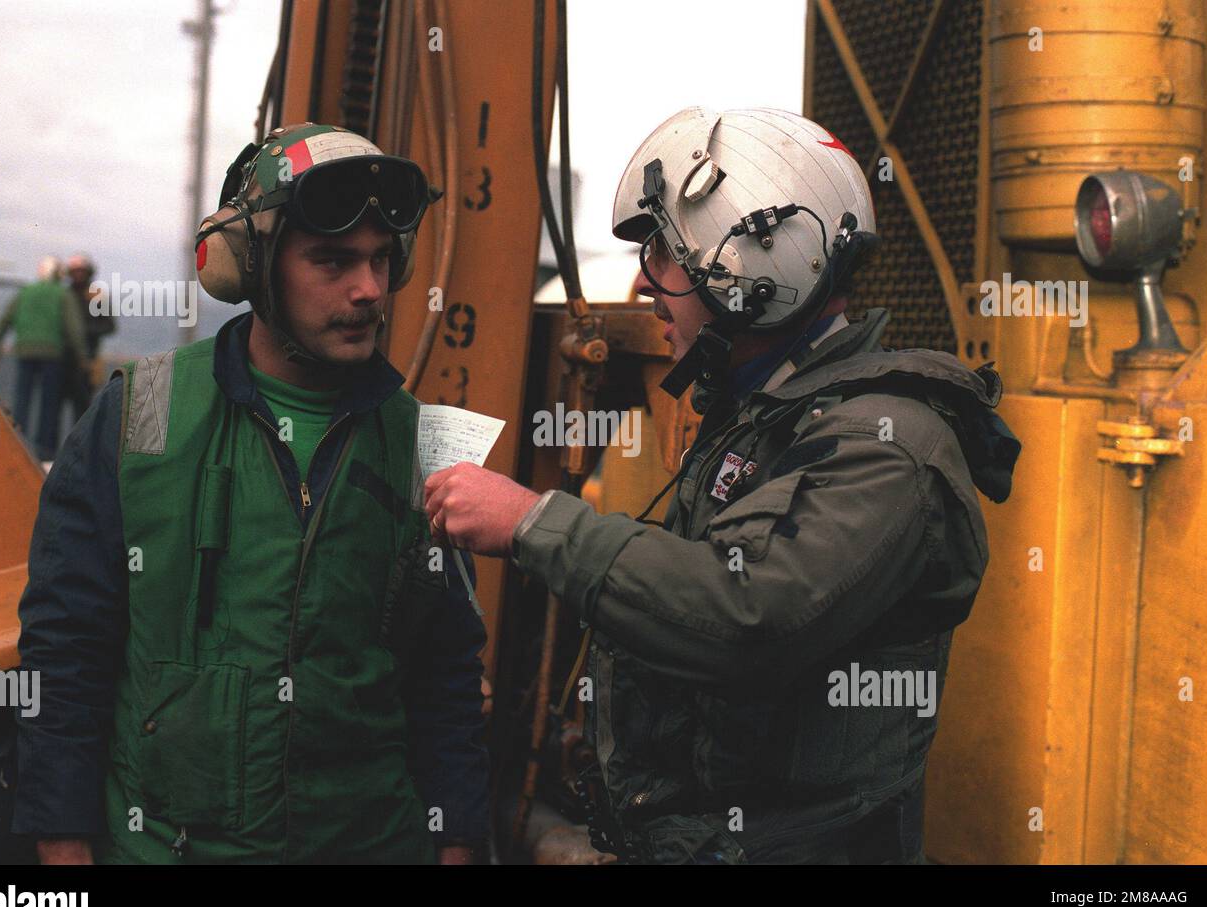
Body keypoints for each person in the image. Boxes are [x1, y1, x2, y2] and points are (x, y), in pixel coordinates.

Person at [424, 107, 1021, 864]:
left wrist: (534, 522)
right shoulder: (765, 414)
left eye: (666, 258)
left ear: (756, 270)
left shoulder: (889, 444)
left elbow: (750, 611)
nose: (645, 284)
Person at [11, 122, 489, 864]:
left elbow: (448, 680)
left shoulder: (426, 443)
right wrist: (62, 843)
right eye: (333, 260)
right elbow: (66, 645)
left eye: (379, 260)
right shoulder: (141, 410)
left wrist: (457, 843)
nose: (369, 289)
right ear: (253, 267)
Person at [0, 255, 86, 459]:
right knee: (48, 404)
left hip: (24, 352)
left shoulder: (26, 292)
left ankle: (16, 444)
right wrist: (82, 355)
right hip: (52, 354)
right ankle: (44, 452)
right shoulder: (62, 294)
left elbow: (5, 319)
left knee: (22, 399)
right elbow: (74, 328)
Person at [61, 253, 113, 423]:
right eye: (75, 271)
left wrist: (84, 330)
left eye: (81, 271)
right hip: (62, 359)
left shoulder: (96, 295)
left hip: (87, 362)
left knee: (82, 409)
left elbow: (109, 325)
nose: (78, 275)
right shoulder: (64, 295)